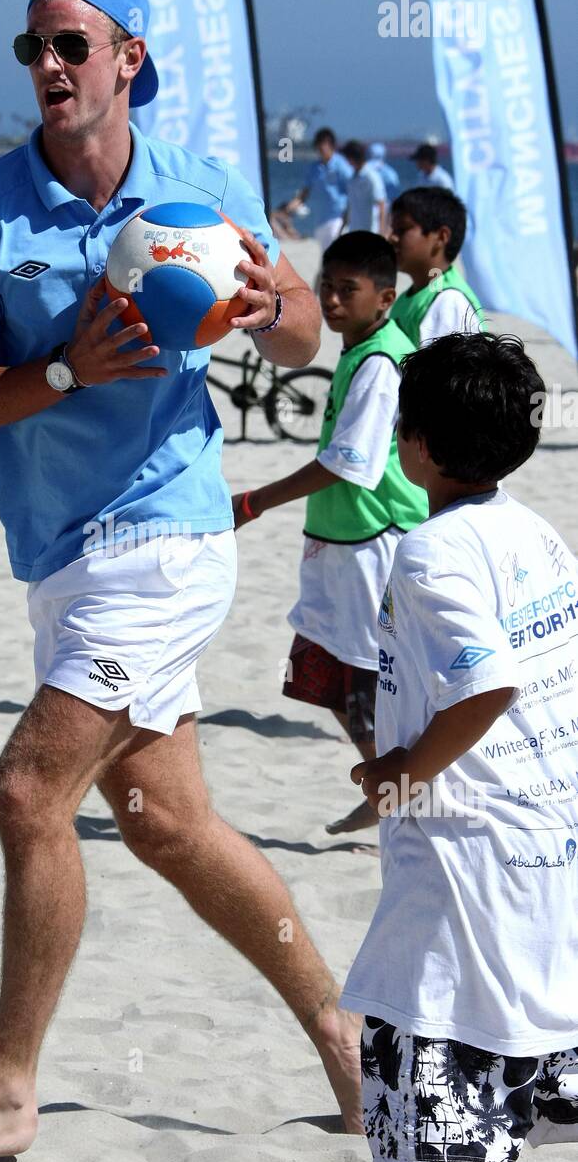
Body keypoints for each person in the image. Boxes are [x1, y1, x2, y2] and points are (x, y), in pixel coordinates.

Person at [0, 0, 363, 1162]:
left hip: (170, 531)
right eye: (33, 47)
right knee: (168, 825)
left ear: (128, 60)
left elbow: (303, 332)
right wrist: (65, 370)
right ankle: (356, 1051)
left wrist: (267, 311)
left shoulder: (198, 188)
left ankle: (5, 1092)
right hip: (61, 552)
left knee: (30, 792)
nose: (48, 66)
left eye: (71, 45)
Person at [341, 331, 578, 1162]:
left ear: (416, 446)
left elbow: (487, 684)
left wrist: (399, 767)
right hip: (546, 874)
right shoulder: (536, 533)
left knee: (443, 1157)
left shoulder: (430, 550)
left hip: (461, 888)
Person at [232, 232, 427, 837]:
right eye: (327, 287)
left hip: (371, 546)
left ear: (385, 298)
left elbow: (350, 463)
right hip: (339, 542)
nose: (334, 301)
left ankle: (397, 792)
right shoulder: (358, 351)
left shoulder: (379, 361)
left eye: (350, 290)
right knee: (330, 675)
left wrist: (256, 501)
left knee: (368, 684)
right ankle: (386, 786)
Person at [389, 188, 485, 347]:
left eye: (402, 229)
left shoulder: (448, 301)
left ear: (441, 237)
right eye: (393, 230)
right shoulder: (411, 297)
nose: (392, 237)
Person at [284, 126, 353, 264]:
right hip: (321, 219)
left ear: (330, 144)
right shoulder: (315, 167)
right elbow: (306, 190)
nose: (320, 150)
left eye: (322, 145)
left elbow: (352, 190)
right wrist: (295, 203)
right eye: (318, 146)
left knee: (336, 255)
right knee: (325, 256)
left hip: (337, 217)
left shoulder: (341, 165)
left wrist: (349, 215)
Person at [341, 140, 386, 236]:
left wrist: (382, 231)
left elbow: (381, 204)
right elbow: (350, 206)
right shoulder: (352, 178)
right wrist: (342, 227)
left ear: (352, 158)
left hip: (371, 230)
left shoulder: (371, 177)